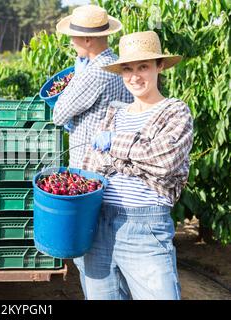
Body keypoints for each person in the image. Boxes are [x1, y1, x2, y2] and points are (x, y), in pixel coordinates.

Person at [81, 31, 193, 300]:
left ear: (159, 66)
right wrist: (135, 155)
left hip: (145, 229)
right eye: (127, 69)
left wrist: (114, 146)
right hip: (99, 225)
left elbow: (163, 162)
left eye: (143, 66)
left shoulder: (174, 111)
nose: (135, 76)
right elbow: (92, 163)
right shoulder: (115, 113)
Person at [52, 4, 133, 298]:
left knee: (92, 258)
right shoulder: (120, 65)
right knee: (113, 251)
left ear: (87, 40)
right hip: (117, 169)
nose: (72, 42)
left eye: (75, 37)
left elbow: (59, 113)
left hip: (89, 170)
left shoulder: (95, 72)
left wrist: (77, 78)